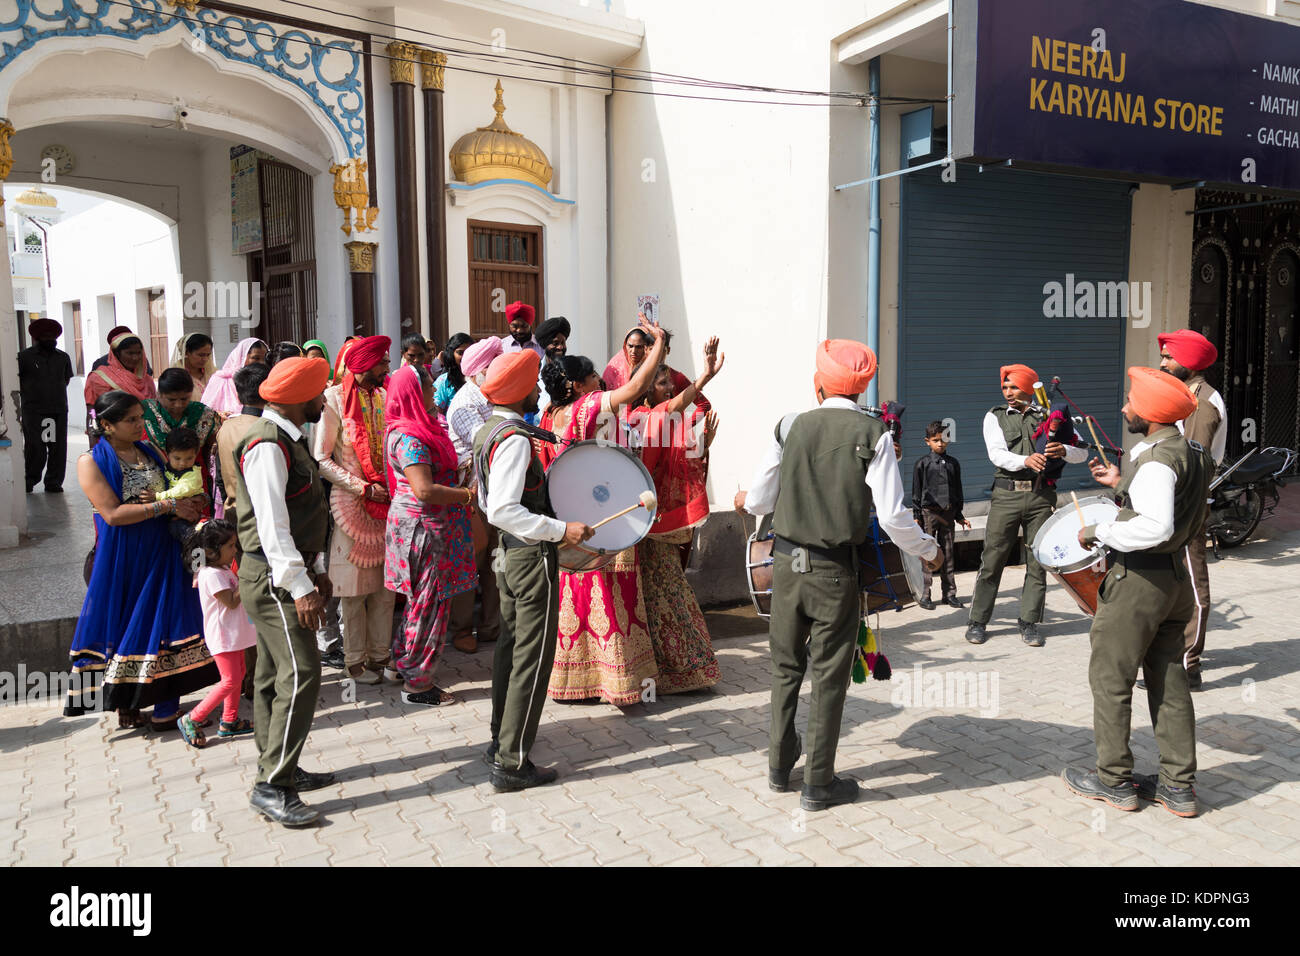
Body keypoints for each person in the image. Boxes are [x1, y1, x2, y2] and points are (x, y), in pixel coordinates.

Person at [737, 340, 942, 811]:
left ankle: (778, 768)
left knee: (785, 669)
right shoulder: (876, 434)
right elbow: (892, 518)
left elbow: (759, 500)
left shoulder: (789, 426)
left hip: (785, 565)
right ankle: (818, 785)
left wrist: (750, 501)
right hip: (834, 575)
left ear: (819, 384)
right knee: (828, 679)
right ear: (861, 388)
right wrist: (928, 552)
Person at [1062, 367, 1210, 818]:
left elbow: (1155, 524)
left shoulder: (1157, 461)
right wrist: (1120, 485)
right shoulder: (1192, 451)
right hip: (1175, 580)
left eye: (1131, 402)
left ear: (1149, 412)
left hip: (1139, 582)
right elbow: (1173, 503)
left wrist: (1098, 531)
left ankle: (1113, 780)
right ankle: (1178, 787)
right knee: (1169, 681)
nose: (1125, 407)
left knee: (1111, 681)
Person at [473, 349, 593, 790]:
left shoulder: (490, 430)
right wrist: (561, 529)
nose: (539, 391)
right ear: (521, 389)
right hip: (528, 554)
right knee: (532, 656)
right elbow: (504, 508)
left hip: (507, 555)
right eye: (534, 385)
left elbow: (488, 504)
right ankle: (512, 760)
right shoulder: (516, 439)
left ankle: (499, 741)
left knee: (511, 648)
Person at [66, 390, 214, 729]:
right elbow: (113, 513)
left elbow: (178, 482)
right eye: (131, 419)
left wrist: (194, 499)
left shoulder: (149, 451)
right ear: (106, 424)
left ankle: (164, 708)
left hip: (161, 549)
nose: (140, 424)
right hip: (124, 556)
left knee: (163, 623)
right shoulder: (90, 462)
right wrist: (167, 506)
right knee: (127, 624)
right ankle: (128, 704)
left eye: (140, 417)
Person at [234, 356, 336, 828]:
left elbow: (302, 516)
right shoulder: (267, 445)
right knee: (302, 673)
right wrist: (300, 586)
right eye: (319, 393)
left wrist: (315, 570)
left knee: (276, 675)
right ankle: (272, 785)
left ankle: (280, 766)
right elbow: (273, 527)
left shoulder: (287, 440)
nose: (323, 400)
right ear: (299, 399)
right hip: (273, 579)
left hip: (284, 574)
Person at [540, 346, 665, 705]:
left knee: (574, 595)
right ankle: (616, 680)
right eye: (594, 376)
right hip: (603, 516)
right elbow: (637, 385)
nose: (600, 381)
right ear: (579, 385)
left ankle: (571, 680)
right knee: (608, 595)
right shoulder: (587, 407)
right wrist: (657, 344)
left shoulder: (548, 415)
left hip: (566, 515)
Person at [965, 363, 1089, 648]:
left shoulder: (1052, 414)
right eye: (1005, 387)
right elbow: (996, 453)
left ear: (1029, 389)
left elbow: (1081, 451)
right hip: (1006, 495)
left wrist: (1065, 450)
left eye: (1015, 387)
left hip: (1041, 496)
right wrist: (1024, 460)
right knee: (992, 559)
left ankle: (1029, 622)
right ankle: (978, 620)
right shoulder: (994, 416)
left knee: (1037, 560)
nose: (1009, 393)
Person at [628, 347, 725, 695]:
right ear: (646, 388)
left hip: (653, 522)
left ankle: (677, 668)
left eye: (671, 383)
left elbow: (684, 451)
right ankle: (674, 669)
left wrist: (703, 443)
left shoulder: (653, 419)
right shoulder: (644, 418)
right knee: (661, 594)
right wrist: (706, 376)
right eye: (664, 383)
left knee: (663, 592)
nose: (670, 388)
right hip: (644, 521)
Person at [383, 364, 478, 705]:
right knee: (430, 603)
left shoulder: (417, 426)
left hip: (427, 526)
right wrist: (466, 496)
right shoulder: (409, 436)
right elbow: (424, 489)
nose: (432, 394)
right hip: (425, 530)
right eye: (427, 387)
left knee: (419, 602)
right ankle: (418, 685)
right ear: (413, 392)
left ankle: (400, 662)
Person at [313, 335, 395, 687]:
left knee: (384, 589)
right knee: (354, 587)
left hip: (386, 502)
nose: (387, 369)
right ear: (365, 365)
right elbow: (321, 458)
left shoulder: (382, 396)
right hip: (351, 505)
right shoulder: (332, 399)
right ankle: (354, 661)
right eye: (383, 363)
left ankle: (381, 655)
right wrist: (361, 487)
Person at [1157, 329, 1226, 692]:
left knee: (1193, 587)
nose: (1163, 363)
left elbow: (1191, 462)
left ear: (1190, 362)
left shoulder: (1202, 404)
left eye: (1169, 357)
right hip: (1172, 504)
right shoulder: (1186, 395)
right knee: (1171, 581)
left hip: (1186, 505)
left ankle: (1188, 665)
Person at [446, 336, 504, 654]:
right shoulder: (464, 403)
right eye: (492, 368)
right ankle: (461, 629)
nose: (497, 373)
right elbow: (488, 444)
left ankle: (491, 626)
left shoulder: (494, 396)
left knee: (496, 563)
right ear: (477, 372)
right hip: (470, 496)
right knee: (469, 564)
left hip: (497, 494)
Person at [177, 519, 257, 748]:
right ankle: (193, 718)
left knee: (238, 674)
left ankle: (229, 720)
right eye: (231, 546)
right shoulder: (211, 574)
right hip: (223, 636)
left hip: (233, 634)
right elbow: (231, 602)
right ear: (211, 552)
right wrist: (246, 579)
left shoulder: (219, 569)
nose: (235, 550)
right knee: (230, 679)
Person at [912, 420, 970, 610]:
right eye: (935, 440)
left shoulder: (954, 464)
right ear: (927, 441)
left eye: (944, 439)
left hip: (948, 513)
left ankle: (950, 594)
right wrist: (917, 515)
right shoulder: (922, 464)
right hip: (929, 513)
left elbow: (957, 490)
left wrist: (959, 514)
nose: (940, 443)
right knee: (928, 553)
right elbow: (916, 491)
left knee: (948, 553)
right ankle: (925, 594)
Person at [18, 317, 73, 494]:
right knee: (36, 447)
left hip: (58, 409)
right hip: (34, 411)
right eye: (45, 336)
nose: (50, 339)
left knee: (57, 447)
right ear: (37, 337)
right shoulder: (24, 357)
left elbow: (66, 380)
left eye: (52, 336)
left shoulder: (63, 357)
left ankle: (53, 482)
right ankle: (29, 479)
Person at [603, 324, 711, 414]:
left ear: (668, 350)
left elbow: (703, 404)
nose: (670, 386)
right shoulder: (637, 375)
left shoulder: (677, 377)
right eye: (652, 349)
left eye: (661, 349)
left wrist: (686, 426)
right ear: (646, 350)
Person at [143, 368, 219, 483]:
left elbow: (211, 450)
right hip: (156, 481)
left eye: (184, 399)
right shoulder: (145, 412)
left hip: (194, 481)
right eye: (171, 400)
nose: (178, 405)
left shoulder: (203, 413)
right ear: (159, 395)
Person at [215, 363, 270, 515]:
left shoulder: (226, 427)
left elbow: (220, 477)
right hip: (260, 513)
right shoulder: (268, 428)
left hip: (232, 510)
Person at [84, 332, 157, 443]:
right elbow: (91, 412)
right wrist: (93, 438)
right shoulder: (99, 378)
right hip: (113, 439)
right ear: (117, 353)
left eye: (138, 353)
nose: (135, 357)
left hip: (146, 440)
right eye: (129, 353)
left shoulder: (147, 380)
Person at [156, 426, 208, 543]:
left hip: (188, 515)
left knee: (186, 535)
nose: (183, 463)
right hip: (169, 514)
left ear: (196, 454)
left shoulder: (193, 473)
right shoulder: (165, 467)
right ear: (167, 454)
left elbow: (181, 491)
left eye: (189, 458)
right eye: (177, 458)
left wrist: (158, 497)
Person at [202, 337, 269, 418]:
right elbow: (205, 411)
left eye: (264, 359)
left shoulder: (267, 380)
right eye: (256, 358)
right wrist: (220, 415)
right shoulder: (220, 380)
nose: (262, 363)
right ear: (242, 357)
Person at [433, 332, 474, 412]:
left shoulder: (480, 378)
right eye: (460, 353)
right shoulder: (444, 381)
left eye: (469, 352)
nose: (465, 356)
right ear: (451, 354)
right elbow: (437, 411)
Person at [170, 333, 216, 403]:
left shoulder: (212, 373)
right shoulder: (174, 376)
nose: (205, 359)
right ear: (186, 352)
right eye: (201, 355)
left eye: (208, 355)